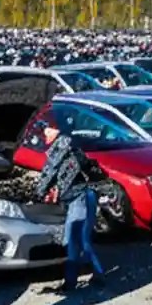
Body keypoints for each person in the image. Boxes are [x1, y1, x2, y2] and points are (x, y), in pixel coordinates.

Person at [36, 124, 106, 289]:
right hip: (82, 197)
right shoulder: (71, 146)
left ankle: (90, 277)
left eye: (45, 130)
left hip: (79, 198)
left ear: (55, 129)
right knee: (78, 240)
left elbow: (49, 172)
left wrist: (39, 192)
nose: (43, 135)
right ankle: (86, 277)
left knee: (75, 240)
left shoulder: (60, 147)